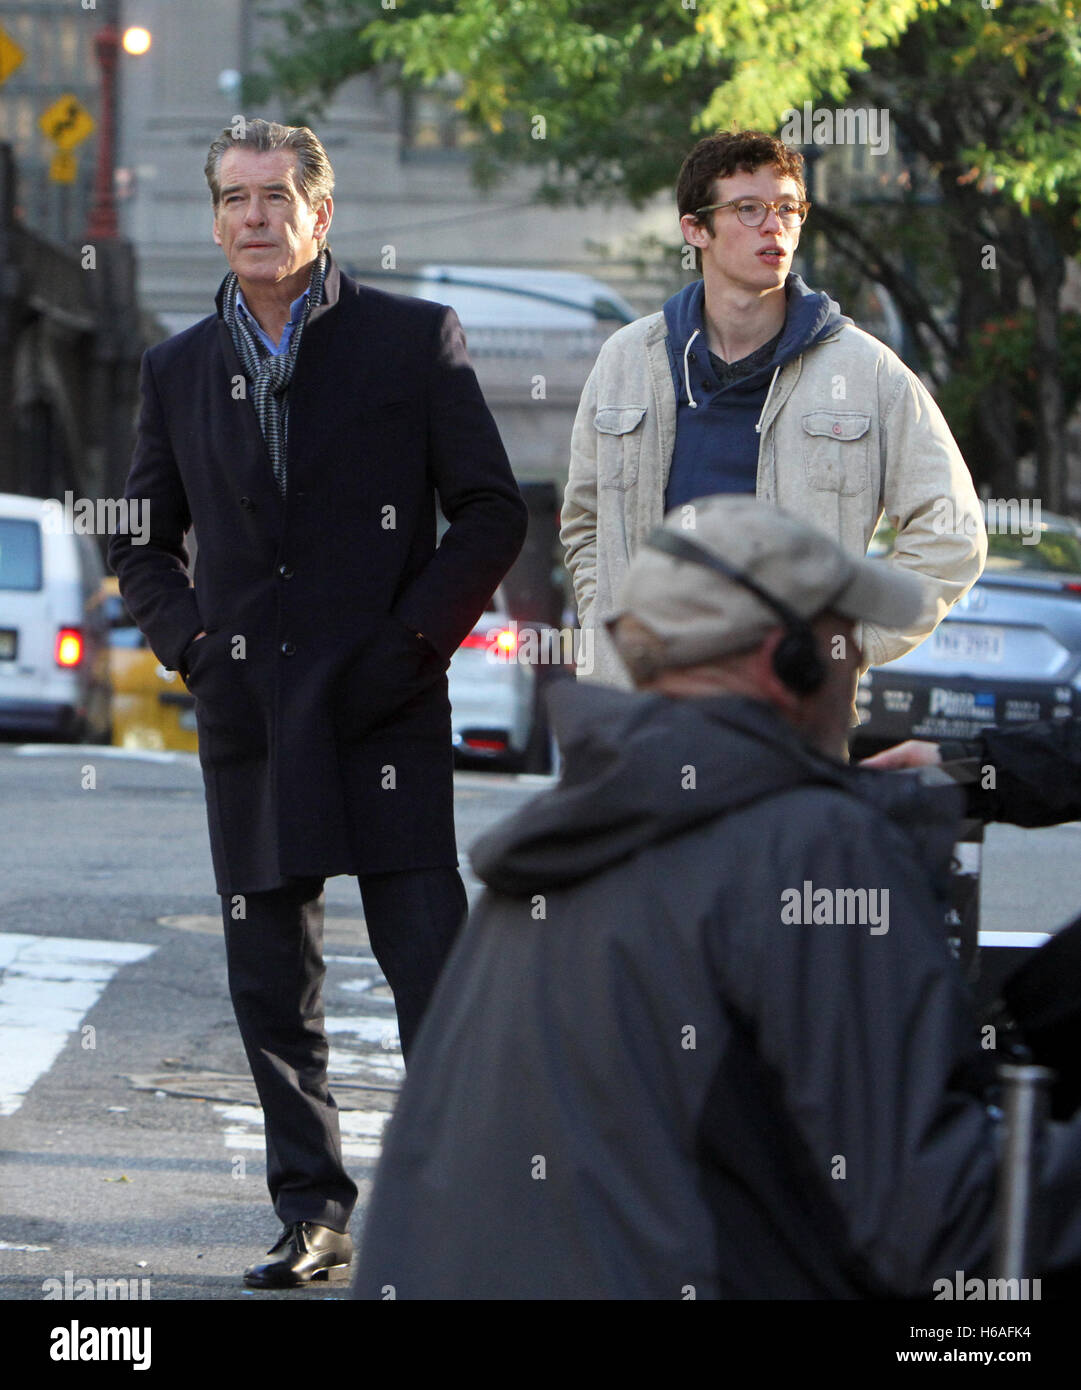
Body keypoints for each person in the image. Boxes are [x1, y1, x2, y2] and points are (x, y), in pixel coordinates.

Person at [352, 496, 1081, 1299]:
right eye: (846, 642)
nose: (857, 672)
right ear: (791, 661)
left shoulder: (553, 847)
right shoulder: (811, 848)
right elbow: (955, 1231)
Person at [108, 118, 527, 1288]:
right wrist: (192, 646)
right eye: (233, 197)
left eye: (275, 195)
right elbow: (145, 540)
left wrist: (411, 644)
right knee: (267, 982)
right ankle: (315, 1214)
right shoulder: (176, 366)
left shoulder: (409, 341)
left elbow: (491, 510)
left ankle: (456, 1208)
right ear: (213, 216)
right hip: (248, 708)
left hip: (384, 704)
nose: (254, 216)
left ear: (320, 213)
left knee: (430, 970)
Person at [561, 129, 986, 689]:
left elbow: (952, 531)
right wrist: (608, 627)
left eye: (789, 209)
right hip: (639, 706)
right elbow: (585, 522)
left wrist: (843, 647)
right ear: (695, 229)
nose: (775, 226)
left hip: (790, 713)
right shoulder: (627, 360)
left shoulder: (866, 371)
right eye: (749, 209)